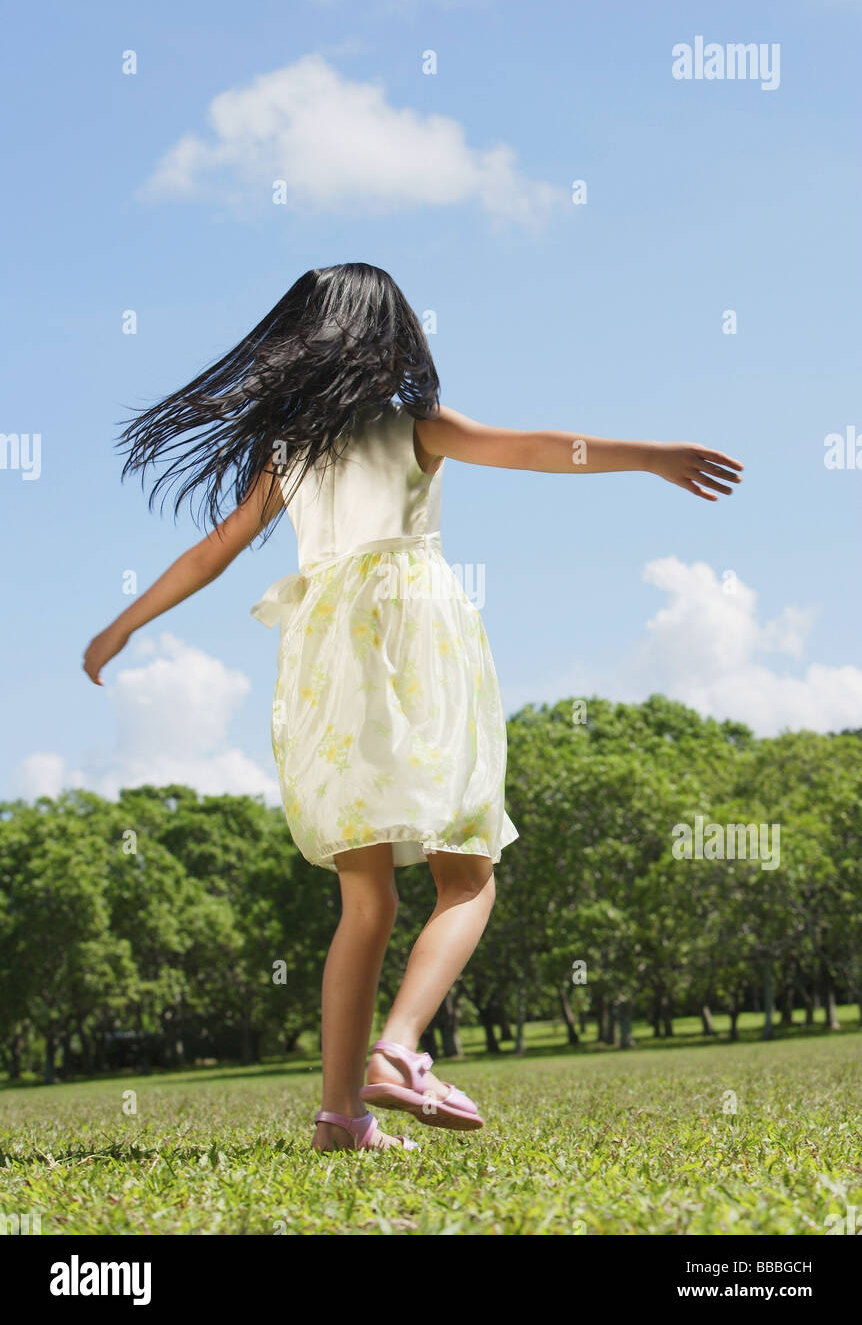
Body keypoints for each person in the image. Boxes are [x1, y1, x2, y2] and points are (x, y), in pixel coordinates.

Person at [83, 262, 743, 1151]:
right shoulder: (415, 428)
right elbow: (539, 447)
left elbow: (216, 550)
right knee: (466, 872)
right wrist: (652, 455)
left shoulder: (290, 456)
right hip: (415, 641)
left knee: (366, 903)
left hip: (325, 660)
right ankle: (396, 1050)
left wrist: (122, 626)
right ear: (388, 340)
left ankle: (339, 1117)